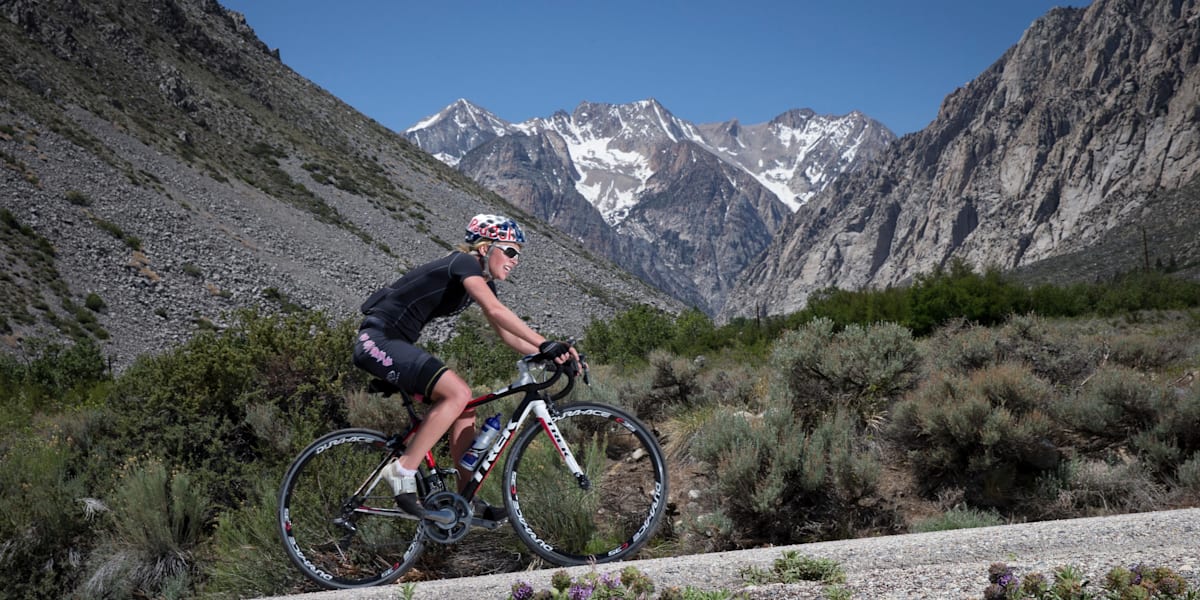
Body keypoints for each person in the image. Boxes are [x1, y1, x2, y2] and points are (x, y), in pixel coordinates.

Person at [352, 213, 578, 521]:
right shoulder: (464, 263)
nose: (515, 260)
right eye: (510, 251)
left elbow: (508, 336)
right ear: (485, 248)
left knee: (465, 409)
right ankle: (402, 470)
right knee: (458, 393)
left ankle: (467, 499)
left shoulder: (481, 280)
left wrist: (554, 356)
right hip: (378, 338)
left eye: (518, 255)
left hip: (394, 344)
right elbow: (495, 311)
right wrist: (544, 343)